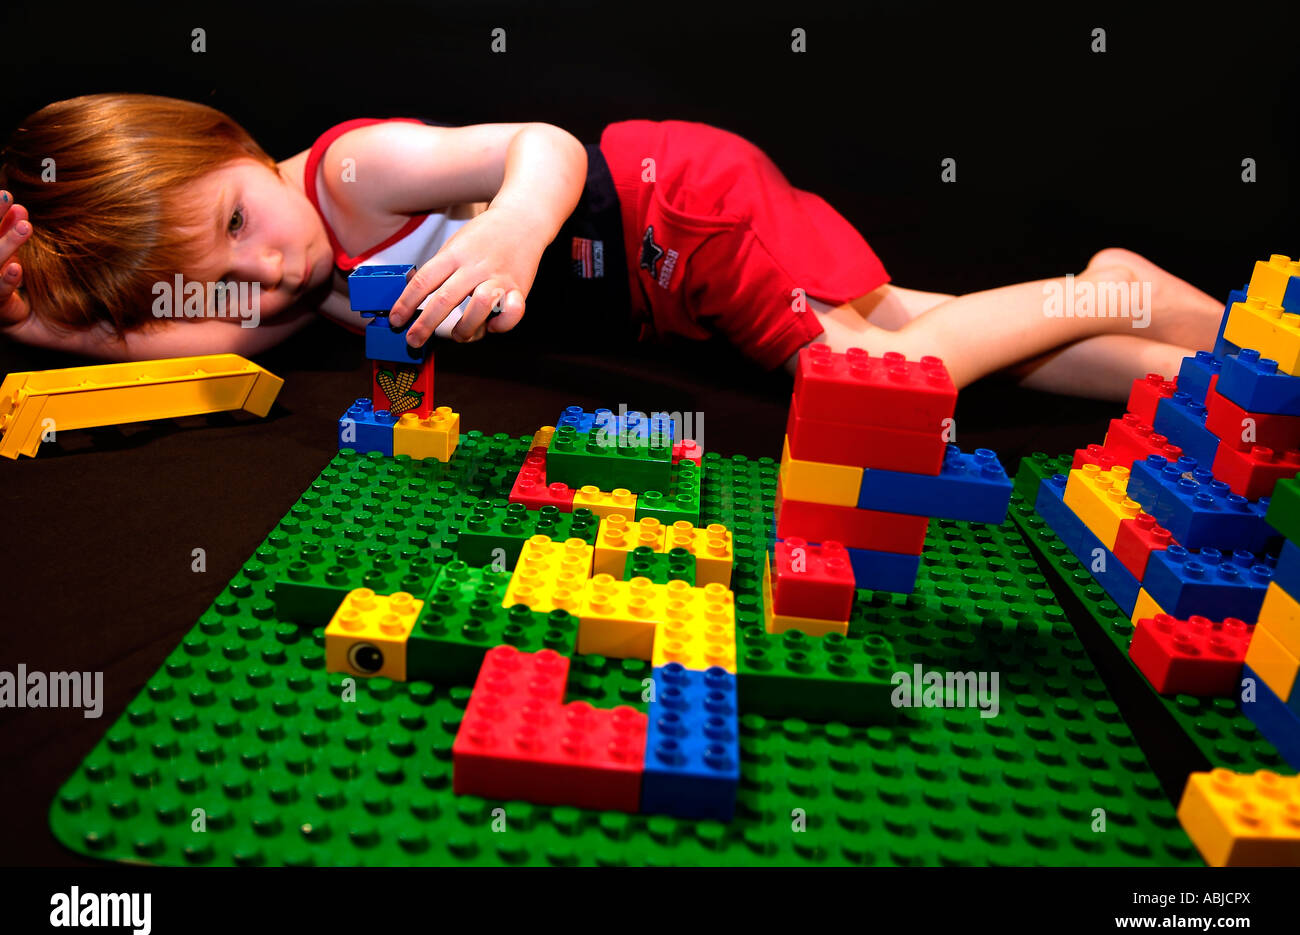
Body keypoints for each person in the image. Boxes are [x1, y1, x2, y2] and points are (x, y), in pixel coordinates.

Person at [0, 94, 1226, 399]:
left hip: (668, 214)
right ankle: (1184, 356)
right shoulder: (270, 289)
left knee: (857, 382)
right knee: (909, 327)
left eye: (235, 223)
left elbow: (544, 145)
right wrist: (41, 314)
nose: (263, 272)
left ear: (228, 141)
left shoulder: (348, 176)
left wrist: (519, 236)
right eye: (216, 279)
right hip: (661, 286)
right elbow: (169, 345)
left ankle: (1099, 287)